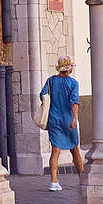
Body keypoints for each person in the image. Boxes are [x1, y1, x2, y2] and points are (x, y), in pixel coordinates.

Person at [40, 56, 83, 192]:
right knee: (74, 149)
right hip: (68, 119)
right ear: (69, 69)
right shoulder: (73, 83)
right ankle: (83, 179)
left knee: (55, 150)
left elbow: (42, 94)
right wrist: (74, 118)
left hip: (54, 119)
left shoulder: (51, 81)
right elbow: (74, 102)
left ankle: (54, 182)